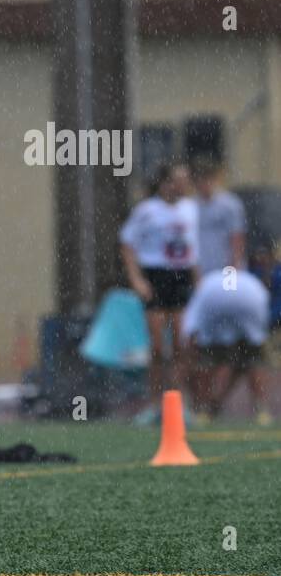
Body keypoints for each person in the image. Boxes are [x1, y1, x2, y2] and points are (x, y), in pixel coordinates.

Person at [119, 163, 198, 423]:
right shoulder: (147, 210)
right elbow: (128, 243)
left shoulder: (190, 209)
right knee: (157, 347)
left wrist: (198, 281)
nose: (184, 184)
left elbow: (193, 247)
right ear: (165, 183)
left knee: (181, 344)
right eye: (178, 180)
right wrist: (136, 279)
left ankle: (177, 403)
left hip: (181, 276)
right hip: (157, 276)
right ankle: (154, 404)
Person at [181, 268, 271, 424]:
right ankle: (261, 410)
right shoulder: (247, 281)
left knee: (206, 361)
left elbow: (190, 338)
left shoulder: (203, 289)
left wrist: (189, 366)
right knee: (252, 360)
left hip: (217, 302)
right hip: (252, 299)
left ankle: (203, 409)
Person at [191, 157, 245, 273]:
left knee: (228, 291)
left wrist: (234, 266)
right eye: (199, 179)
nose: (203, 183)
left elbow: (237, 237)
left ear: (214, 179)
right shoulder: (191, 205)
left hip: (226, 266)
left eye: (206, 179)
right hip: (201, 268)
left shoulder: (230, 204)